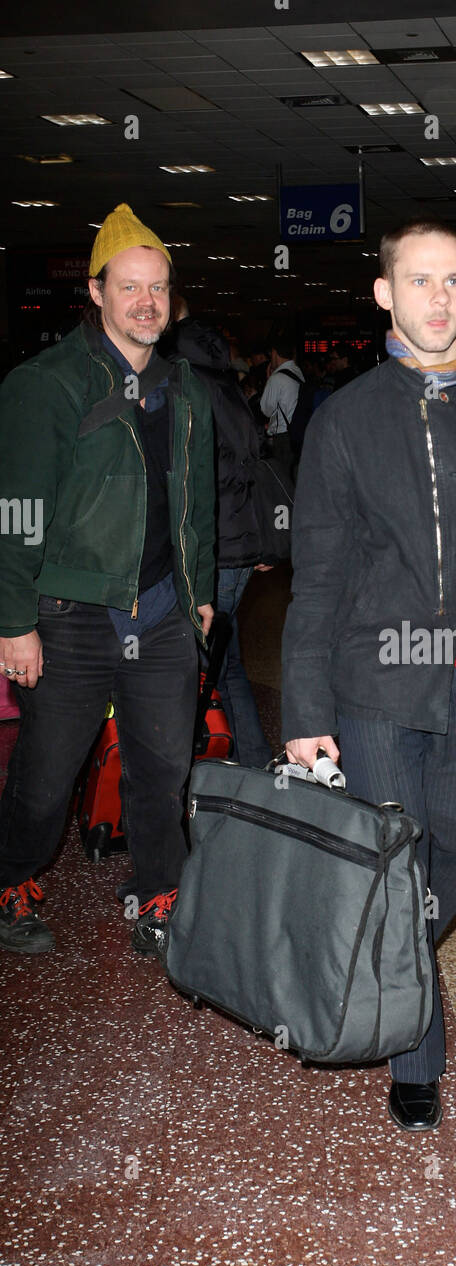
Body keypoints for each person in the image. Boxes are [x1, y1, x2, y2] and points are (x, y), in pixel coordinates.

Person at [281, 219, 456, 1132]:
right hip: (376, 682)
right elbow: (317, 572)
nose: (437, 297)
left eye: (453, 281)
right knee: (396, 864)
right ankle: (416, 1053)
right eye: (419, 279)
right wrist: (304, 706)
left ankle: (378, 956)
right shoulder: (345, 419)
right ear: (385, 294)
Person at [0, 203, 216, 957]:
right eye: (130, 287)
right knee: (47, 771)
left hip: (161, 611)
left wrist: (202, 590)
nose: (146, 302)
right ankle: (12, 878)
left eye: (158, 288)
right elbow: (18, 510)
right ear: (96, 292)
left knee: (163, 767)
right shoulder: (46, 384)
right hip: (71, 612)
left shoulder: (184, 387)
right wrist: (13, 620)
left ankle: (161, 892)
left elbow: (199, 502)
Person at [167, 300, 274, 768]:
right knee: (225, 665)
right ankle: (251, 763)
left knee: (201, 664)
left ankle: (191, 768)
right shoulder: (228, 385)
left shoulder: (183, 387)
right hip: (242, 542)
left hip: (213, 547)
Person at [259, 332, 304, 480]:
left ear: (275, 353)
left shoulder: (277, 378)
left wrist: (268, 380)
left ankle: (283, 504)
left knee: (281, 480)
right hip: (297, 433)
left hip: (282, 437)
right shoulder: (298, 372)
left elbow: (266, 409)